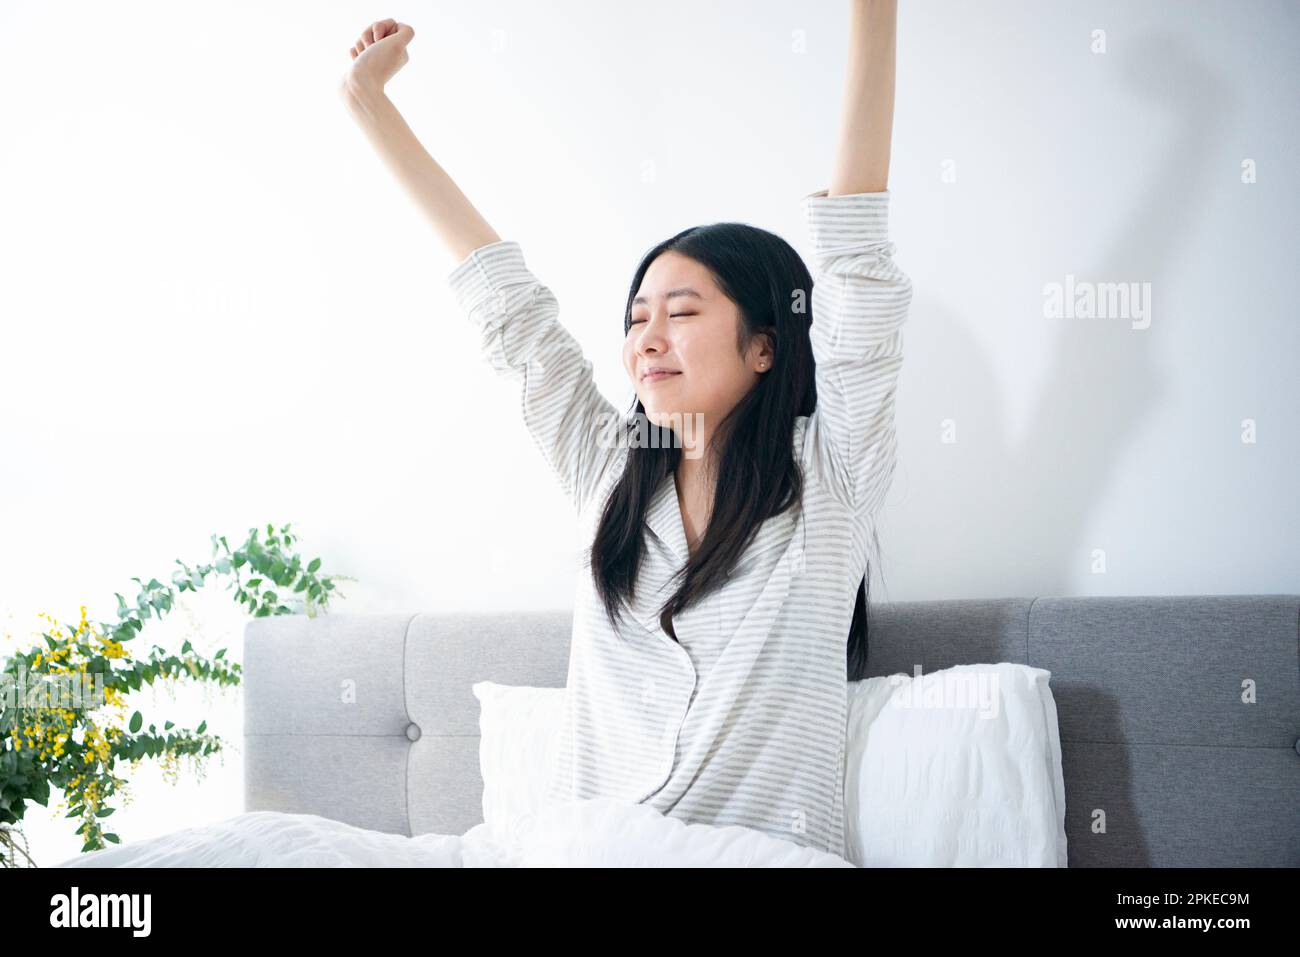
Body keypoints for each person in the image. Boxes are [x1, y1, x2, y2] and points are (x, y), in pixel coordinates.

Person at [339, 0, 911, 859]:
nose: (647, 337)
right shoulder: (609, 473)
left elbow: (857, 277)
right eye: (637, 317)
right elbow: (510, 312)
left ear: (765, 344)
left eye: (681, 313)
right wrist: (369, 107)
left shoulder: (828, 483)